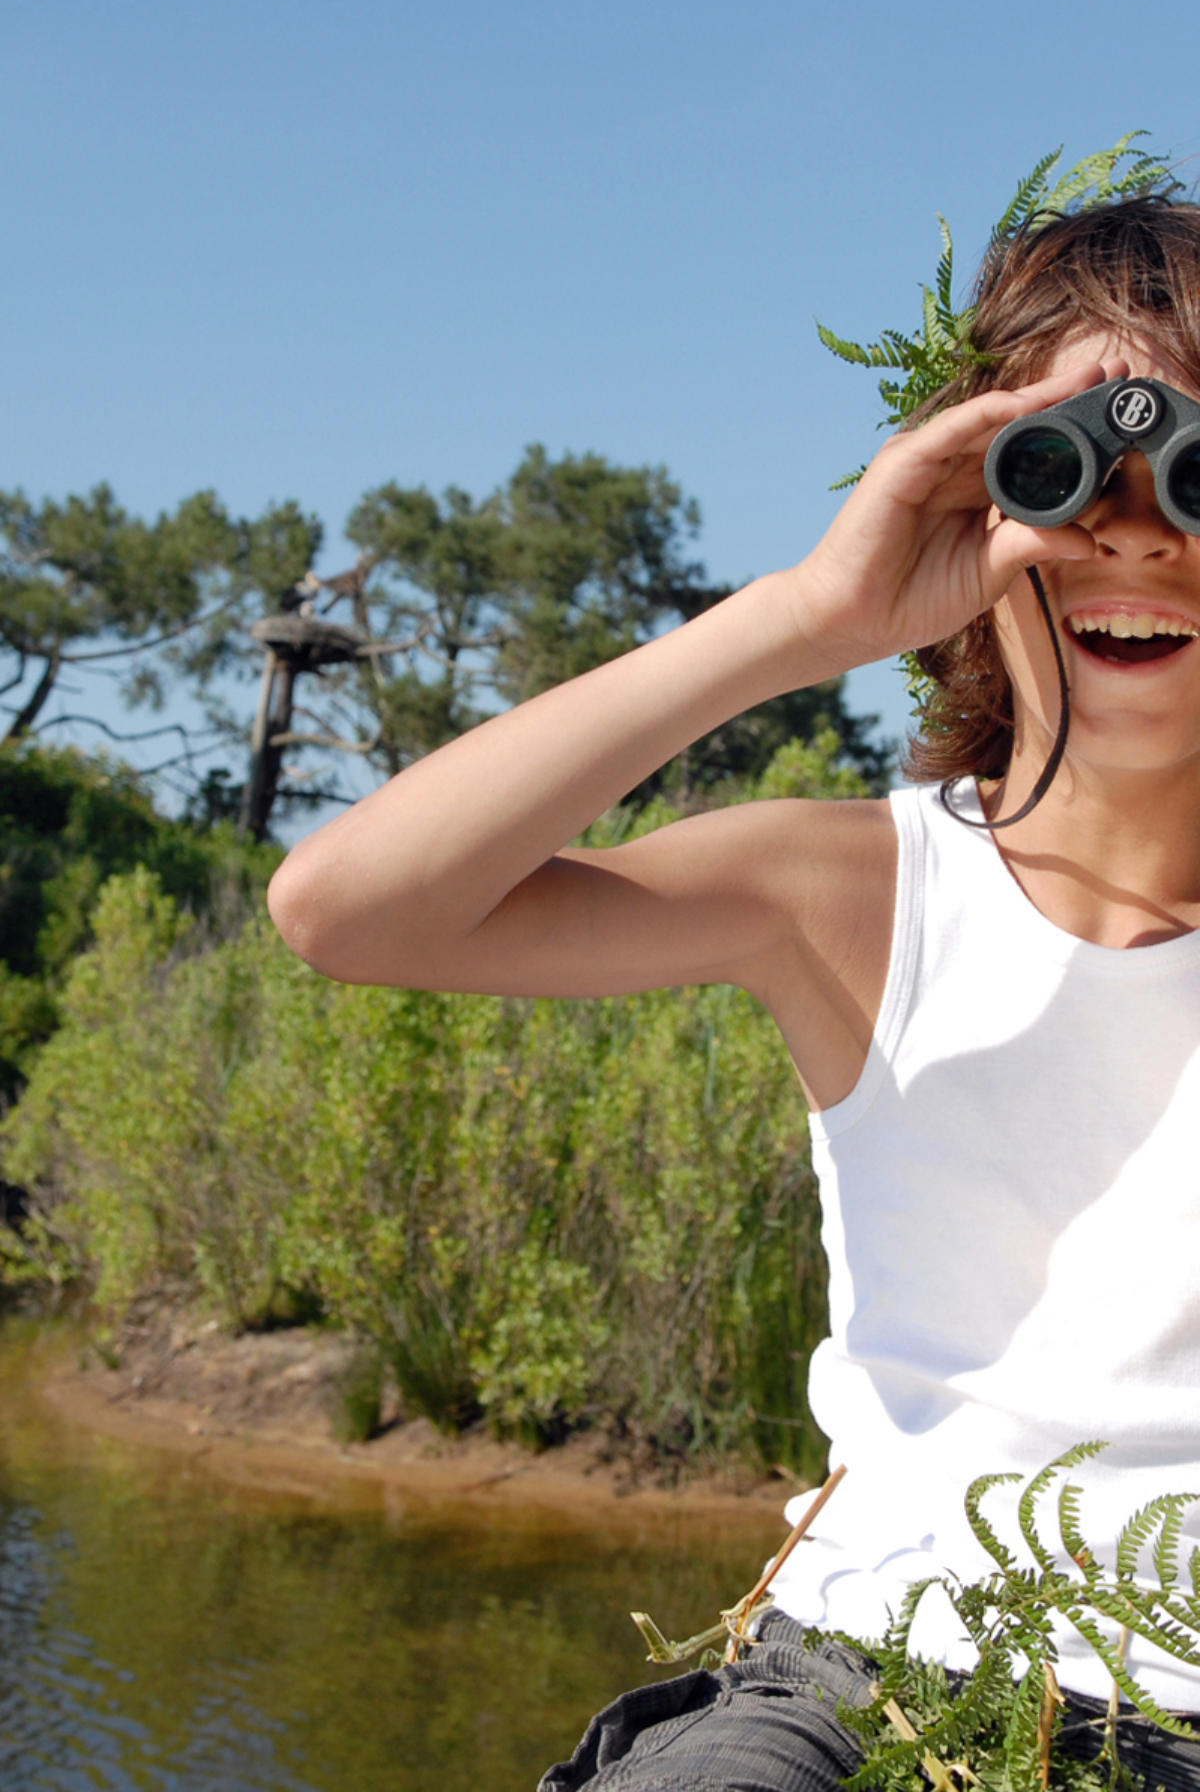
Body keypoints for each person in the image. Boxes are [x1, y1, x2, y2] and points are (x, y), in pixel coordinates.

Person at [267, 194, 1200, 1791]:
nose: (1131, 533)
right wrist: (804, 619)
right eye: (1055, 468)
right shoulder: (854, 890)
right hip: (864, 1681)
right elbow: (347, 909)